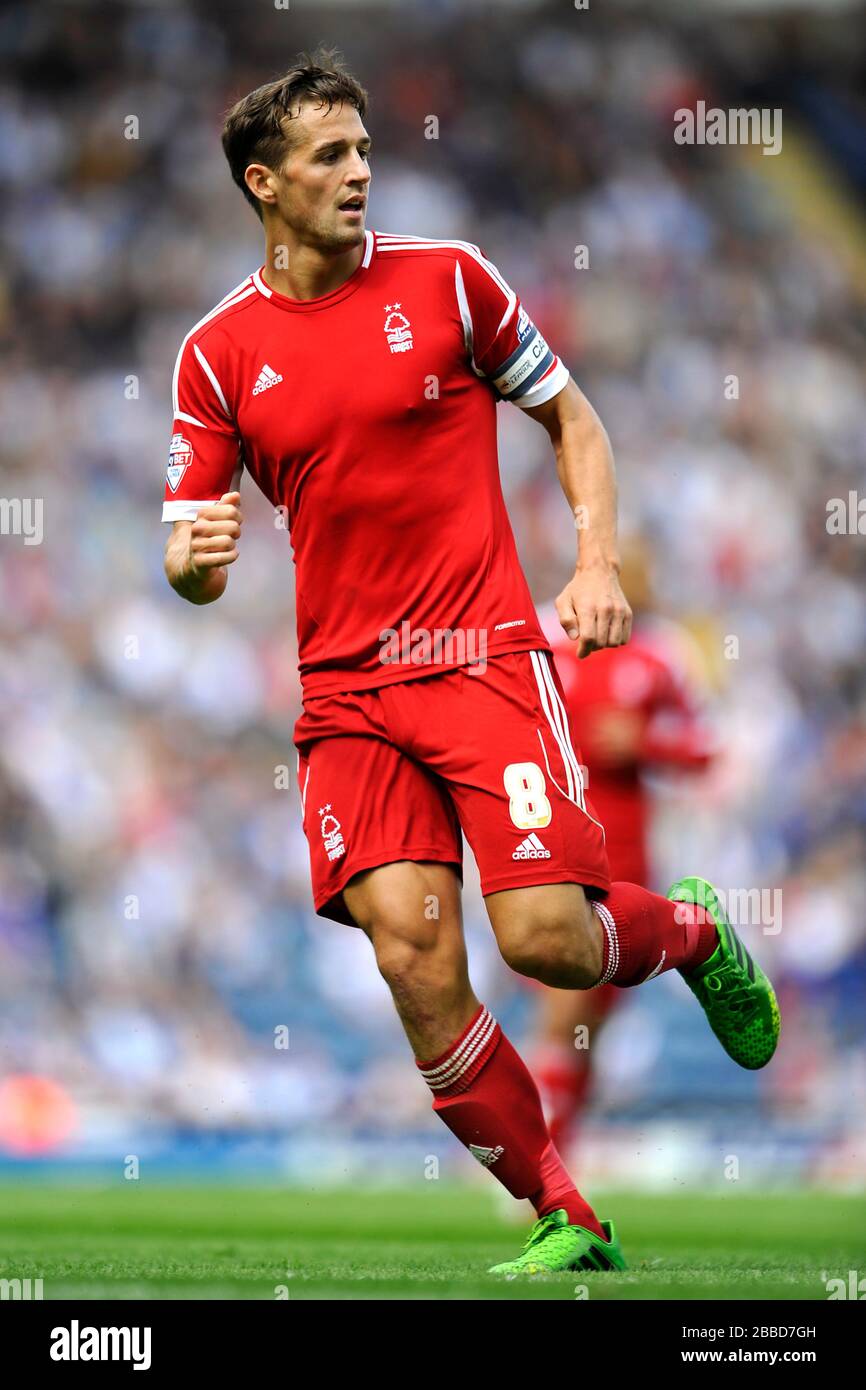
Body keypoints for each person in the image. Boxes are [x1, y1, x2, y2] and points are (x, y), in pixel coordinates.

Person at [161, 49, 779, 1276]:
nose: (357, 172)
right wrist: (195, 557)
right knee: (412, 958)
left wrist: (594, 561)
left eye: (361, 148)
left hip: (481, 656)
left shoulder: (449, 283)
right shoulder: (215, 354)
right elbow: (189, 555)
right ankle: (564, 1210)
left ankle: (696, 939)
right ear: (262, 185)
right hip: (346, 698)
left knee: (547, 939)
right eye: (327, 156)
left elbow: (571, 418)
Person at [529, 542, 716, 1150]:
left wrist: (644, 744)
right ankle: (539, 1164)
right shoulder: (542, 635)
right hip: (550, 840)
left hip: (627, 852)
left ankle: (559, 1150)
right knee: (566, 1004)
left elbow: (705, 748)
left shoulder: (662, 653)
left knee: (593, 1017)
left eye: (631, 571)